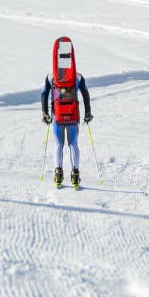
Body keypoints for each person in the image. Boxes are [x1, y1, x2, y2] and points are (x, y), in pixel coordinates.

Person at [41, 38, 93, 189]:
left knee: (58, 144)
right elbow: (85, 93)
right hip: (73, 116)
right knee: (73, 144)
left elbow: (44, 94)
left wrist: (45, 113)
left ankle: (58, 173)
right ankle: (75, 175)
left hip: (57, 116)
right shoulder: (78, 76)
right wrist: (88, 112)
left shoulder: (51, 76)